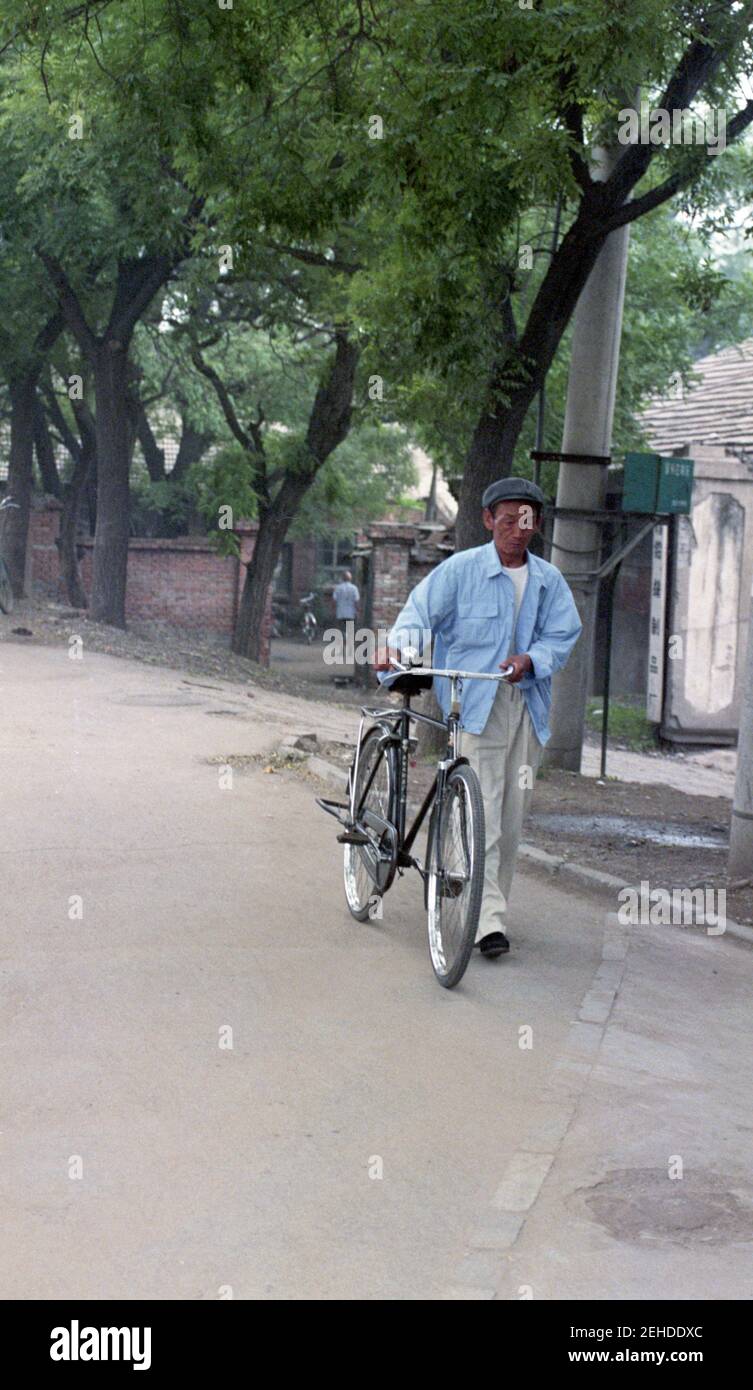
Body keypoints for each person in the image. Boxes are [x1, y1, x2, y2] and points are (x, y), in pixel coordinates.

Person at [375, 477, 582, 959]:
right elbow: (417, 616)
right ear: (488, 520)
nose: (516, 529)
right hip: (473, 706)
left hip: (525, 707)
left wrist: (531, 658)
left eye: (526, 520)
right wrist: (397, 647)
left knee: (512, 815)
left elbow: (563, 635)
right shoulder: (460, 571)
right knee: (482, 809)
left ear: (537, 524)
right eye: (507, 519)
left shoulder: (550, 581)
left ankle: (488, 904)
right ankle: (486, 920)